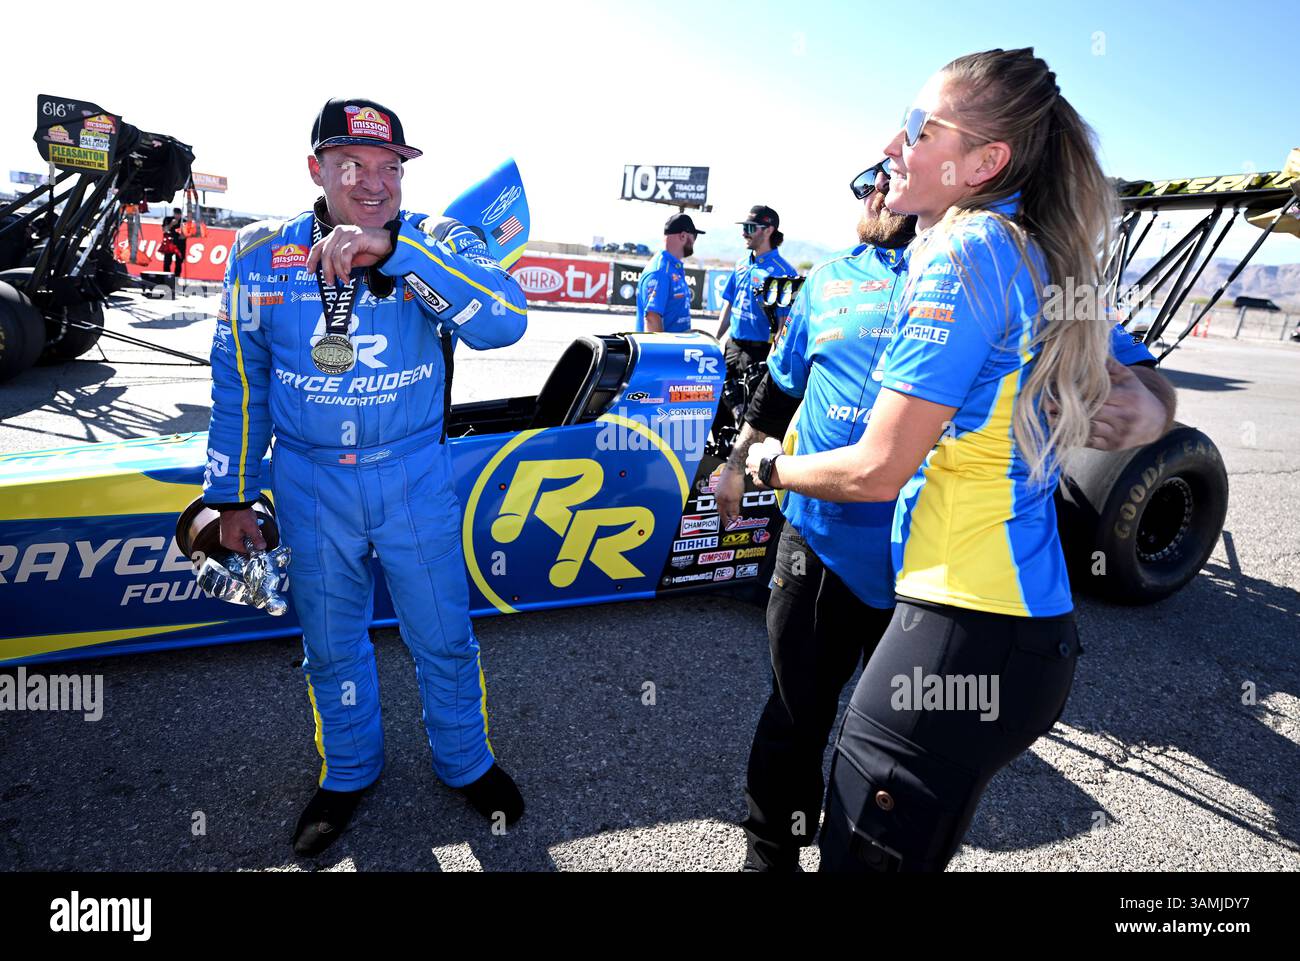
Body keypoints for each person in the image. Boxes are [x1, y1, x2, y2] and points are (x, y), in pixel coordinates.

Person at [745, 48, 1177, 872]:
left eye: (918, 127)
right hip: (1013, 631)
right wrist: (1138, 408)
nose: (891, 143)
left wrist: (765, 471)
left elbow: (877, 470)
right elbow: (1141, 393)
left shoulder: (966, 249)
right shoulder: (1033, 251)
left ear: (984, 162)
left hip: (963, 618)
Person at [202, 96, 528, 857]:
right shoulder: (259, 253)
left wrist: (397, 254)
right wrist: (232, 492)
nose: (374, 182)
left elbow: (505, 320)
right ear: (316, 169)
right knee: (330, 642)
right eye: (353, 164)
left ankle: (465, 761)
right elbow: (239, 383)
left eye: (390, 167)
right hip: (311, 483)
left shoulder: (438, 239)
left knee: (444, 634)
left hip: (413, 474)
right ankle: (348, 772)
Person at [715, 205, 798, 379]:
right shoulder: (741, 264)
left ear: (768, 230)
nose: (744, 233)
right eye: (744, 227)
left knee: (750, 406)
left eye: (750, 228)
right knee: (723, 404)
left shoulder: (784, 272)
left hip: (760, 354)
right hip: (732, 347)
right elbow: (729, 304)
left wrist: (773, 359)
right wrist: (715, 339)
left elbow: (784, 324)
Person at [636, 212, 702, 333]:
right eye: (694, 236)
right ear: (683, 236)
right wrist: (664, 351)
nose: (694, 242)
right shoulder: (661, 271)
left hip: (676, 347)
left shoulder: (673, 267)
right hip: (665, 350)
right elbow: (652, 319)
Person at [161, 207, 186, 276]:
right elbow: (164, 230)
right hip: (170, 244)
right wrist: (171, 224)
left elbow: (187, 234)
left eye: (179, 214)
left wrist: (183, 232)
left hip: (180, 245)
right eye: (176, 214)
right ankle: (166, 277)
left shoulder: (184, 221)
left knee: (179, 263)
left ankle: (176, 278)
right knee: (167, 262)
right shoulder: (168, 219)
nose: (177, 216)